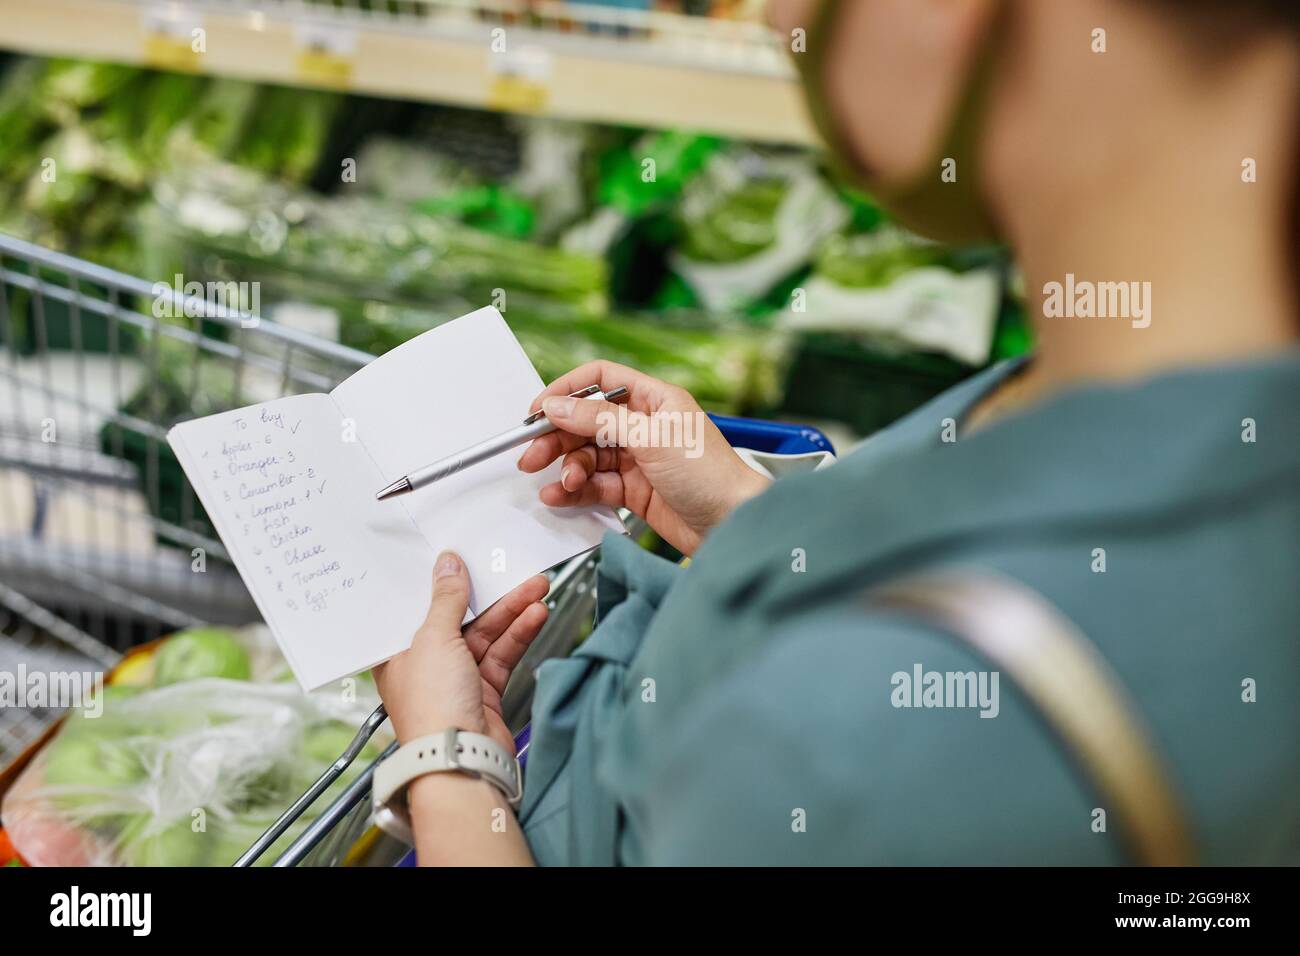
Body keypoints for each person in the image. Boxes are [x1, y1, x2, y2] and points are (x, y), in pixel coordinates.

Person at [373, 0, 1299, 865]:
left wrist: (451, 768)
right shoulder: (1163, 398)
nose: (781, 17)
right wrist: (753, 519)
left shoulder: (856, 743)